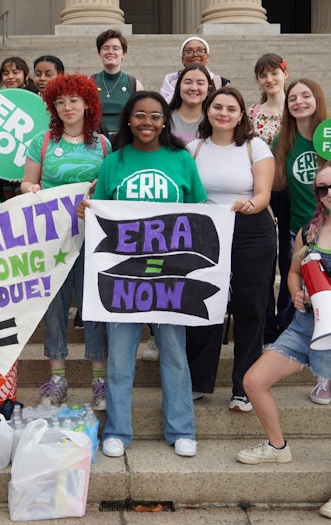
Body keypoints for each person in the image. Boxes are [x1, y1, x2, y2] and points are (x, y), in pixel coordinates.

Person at [238, 160, 331, 520]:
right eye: (322, 189)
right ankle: (278, 445)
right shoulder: (307, 233)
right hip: (307, 324)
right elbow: (292, 273)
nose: (329, 194)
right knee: (253, 381)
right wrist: (294, 294)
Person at [78, 91, 206, 460]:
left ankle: (181, 429)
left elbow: (198, 213)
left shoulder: (181, 159)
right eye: (139, 115)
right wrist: (90, 214)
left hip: (171, 275)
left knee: (174, 354)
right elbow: (101, 210)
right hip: (125, 276)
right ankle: (117, 430)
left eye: (154, 115)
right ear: (128, 120)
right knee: (119, 358)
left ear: (165, 120)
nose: (147, 122)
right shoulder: (114, 161)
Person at [21, 74, 111, 410]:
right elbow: (27, 183)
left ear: (88, 103)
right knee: (55, 307)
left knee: (93, 305)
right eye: (60, 102)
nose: (67, 107)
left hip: (93, 238)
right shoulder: (41, 142)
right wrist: (32, 190)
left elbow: (109, 189)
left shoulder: (103, 145)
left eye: (74, 100)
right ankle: (57, 379)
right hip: (51, 238)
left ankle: (99, 380)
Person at [185, 87, 274, 410]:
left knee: (250, 306)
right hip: (207, 232)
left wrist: (250, 204)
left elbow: (264, 193)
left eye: (231, 108)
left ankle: (244, 386)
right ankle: (197, 380)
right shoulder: (193, 149)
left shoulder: (255, 146)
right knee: (204, 301)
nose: (224, 113)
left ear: (241, 115)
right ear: (208, 110)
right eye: (218, 107)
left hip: (250, 231)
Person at [272, 78, 331, 406]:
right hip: (302, 234)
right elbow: (278, 182)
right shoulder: (284, 139)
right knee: (314, 303)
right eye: (293, 97)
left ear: (317, 98)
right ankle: (323, 373)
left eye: (306, 95)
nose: (299, 101)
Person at [250, 53, 291, 345]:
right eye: (263, 75)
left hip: (293, 190)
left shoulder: (299, 107)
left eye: (274, 73)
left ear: (284, 74)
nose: (270, 79)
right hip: (261, 188)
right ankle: (266, 328)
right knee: (265, 257)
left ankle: (288, 323)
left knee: (291, 257)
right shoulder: (253, 112)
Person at [90, 29, 143, 133]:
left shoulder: (135, 84)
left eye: (116, 48)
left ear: (124, 54)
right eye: (106, 48)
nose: (110, 52)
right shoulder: (90, 83)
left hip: (124, 139)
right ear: (99, 53)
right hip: (96, 141)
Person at [159, 36, 228, 103]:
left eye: (200, 51)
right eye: (189, 52)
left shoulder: (220, 83)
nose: (195, 55)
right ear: (182, 59)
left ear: (207, 56)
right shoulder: (171, 83)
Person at [168, 63, 212, 144]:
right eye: (188, 82)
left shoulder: (213, 121)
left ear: (208, 90)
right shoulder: (164, 118)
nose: (193, 88)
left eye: (200, 83)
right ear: (179, 86)